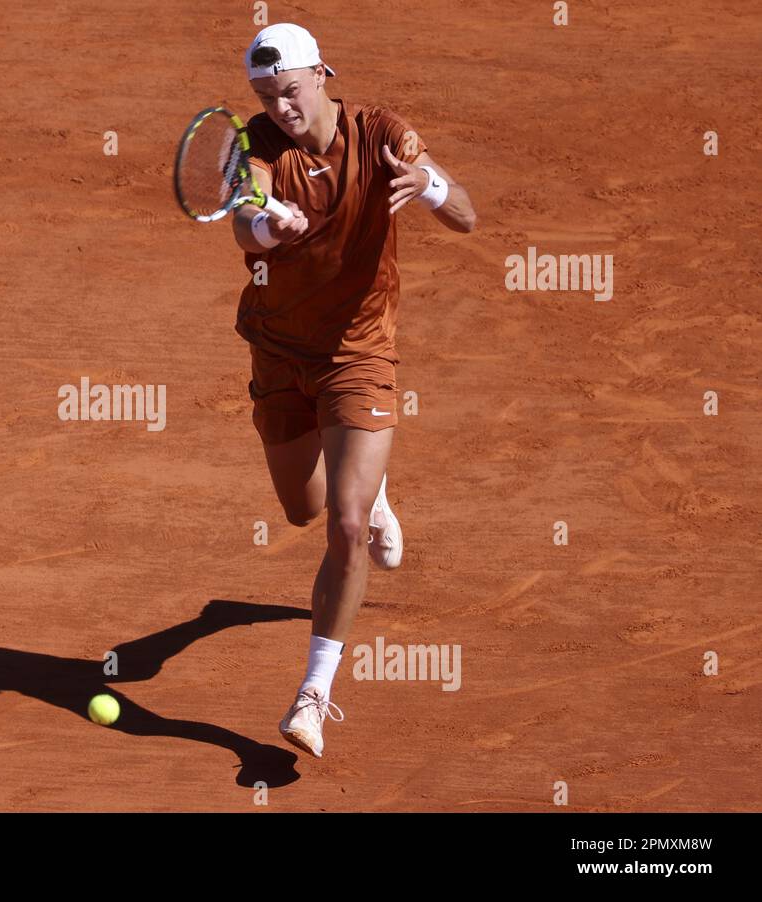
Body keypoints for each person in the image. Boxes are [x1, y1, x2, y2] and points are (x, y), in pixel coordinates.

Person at [231, 23, 477, 758]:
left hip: (358, 352)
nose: (280, 107)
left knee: (344, 526)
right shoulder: (255, 146)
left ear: (323, 74)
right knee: (302, 510)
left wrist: (428, 186)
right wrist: (273, 228)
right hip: (278, 349)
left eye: (291, 90)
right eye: (266, 96)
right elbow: (244, 223)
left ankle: (314, 692)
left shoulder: (383, 134)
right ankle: (370, 484)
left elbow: (467, 214)